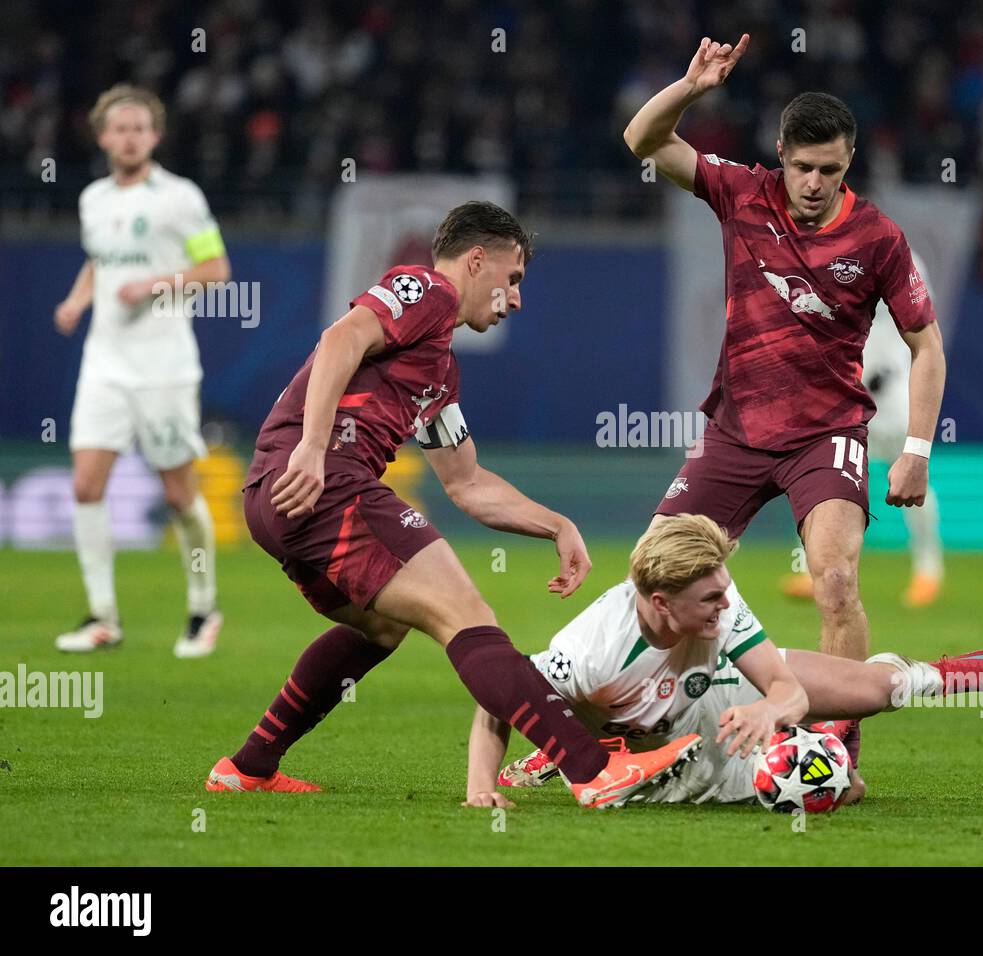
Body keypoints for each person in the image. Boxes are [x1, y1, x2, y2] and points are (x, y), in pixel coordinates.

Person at [204, 202, 700, 808]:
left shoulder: (438, 368)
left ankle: (249, 766)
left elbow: (466, 483)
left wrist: (557, 525)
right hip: (321, 477)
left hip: (275, 498)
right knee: (468, 617)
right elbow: (342, 337)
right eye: (512, 280)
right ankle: (592, 769)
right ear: (475, 261)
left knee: (382, 627)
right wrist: (311, 447)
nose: (515, 299)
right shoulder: (428, 291)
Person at [622, 36, 947, 790]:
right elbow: (641, 139)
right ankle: (635, 731)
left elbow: (926, 348)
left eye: (830, 170)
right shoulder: (741, 192)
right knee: (655, 582)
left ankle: (837, 754)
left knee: (834, 582)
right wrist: (691, 86)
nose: (812, 183)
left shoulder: (878, 240)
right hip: (735, 431)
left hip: (825, 435)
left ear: (849, 163)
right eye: (802, 167)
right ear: (780, 154)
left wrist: (918, 450)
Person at [466, 516, 983, 807]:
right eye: (710, 598)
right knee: (845, 788)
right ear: (661, 602)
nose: (726, 604)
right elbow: (497, 697)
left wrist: (772, 711)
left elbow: (786, 688)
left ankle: (922, 677)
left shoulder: (717, 604)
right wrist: (478, 786)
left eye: (724, 590)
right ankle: (563, 748)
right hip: (671, 747)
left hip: (724, 688)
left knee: (878, 692)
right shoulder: (592, 650)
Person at [54, 84, 230, 658]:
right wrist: (80, 299)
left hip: (164, 367)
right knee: (85, 485)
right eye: (118, 129)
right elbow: (99, 262)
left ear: (154, 136)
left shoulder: (181, 197)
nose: (128, 137)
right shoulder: (93, 200)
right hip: (104, 363)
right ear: (102, 137)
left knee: (178, 493)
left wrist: (154, 285)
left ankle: (204, 609)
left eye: (139, 128)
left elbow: (216, 270)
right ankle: (103, 616)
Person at [783, 254, 945, 608]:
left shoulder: (898, 257)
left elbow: (922, 326)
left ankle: (928, 571)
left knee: (908, 479)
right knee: (824, 476)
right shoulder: (818, 258)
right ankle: (815, 570)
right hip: (842, 392)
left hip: (890, 394)